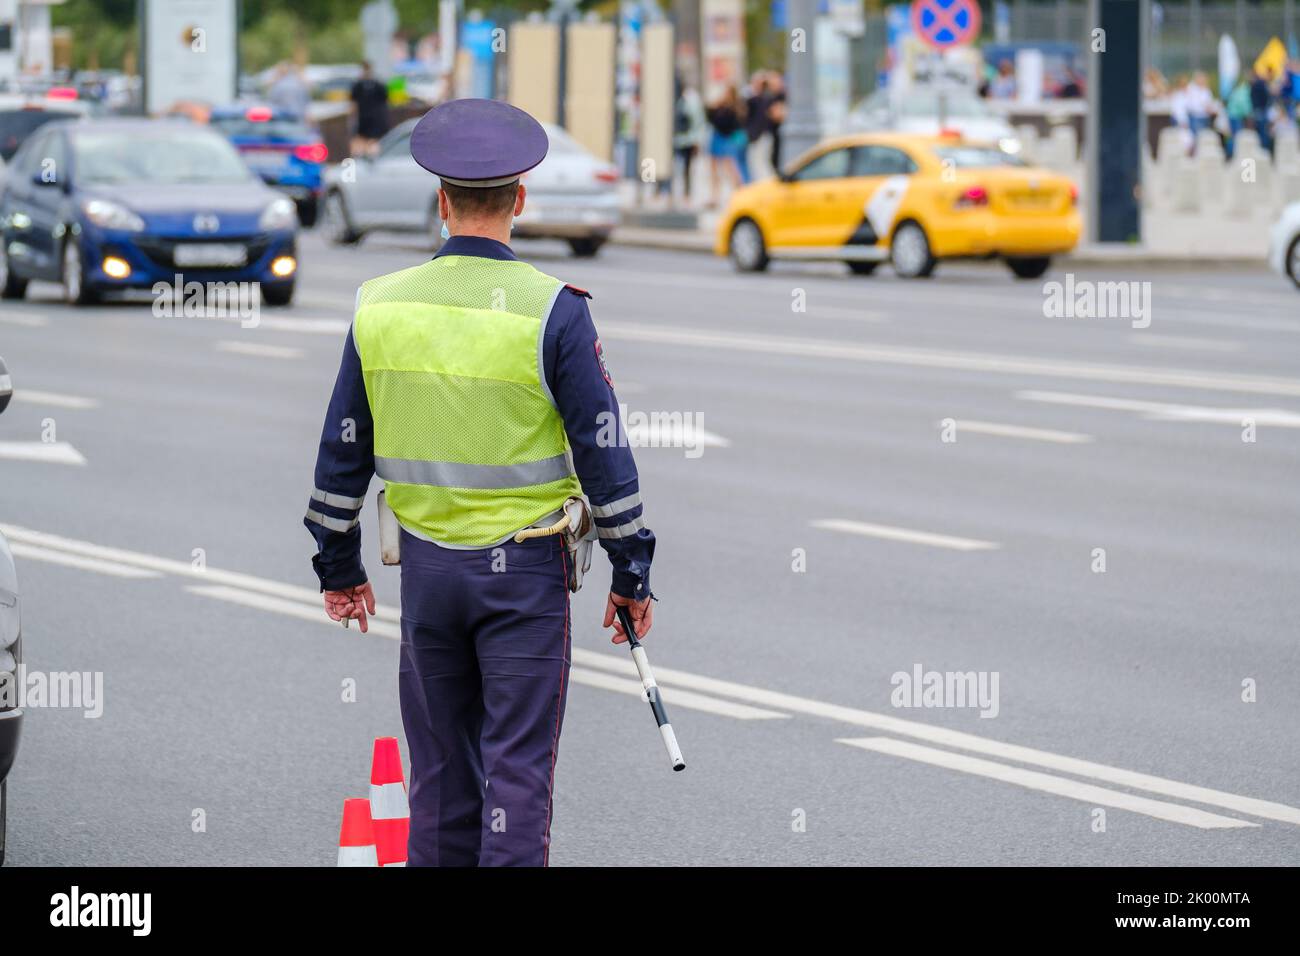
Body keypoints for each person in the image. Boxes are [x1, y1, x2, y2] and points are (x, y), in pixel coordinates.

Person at [304, 99, 656, 867]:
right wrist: (633, 571)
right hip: (525, 582)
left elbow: (342, 453)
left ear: (441, 200)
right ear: (520, 199)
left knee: (438, 780)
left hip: (428, 575)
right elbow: (605, 457)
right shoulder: (554, 313)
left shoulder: (381, 305)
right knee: (517, 778)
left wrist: (339, 567)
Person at [706, 85, 745, 205]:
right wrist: (713, 108)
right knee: (714, 169)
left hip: (726, 138)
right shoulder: (721, 106)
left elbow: (726, 124)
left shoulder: (734, 108)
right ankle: (715, 196)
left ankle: (740, 193)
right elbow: (710, 118)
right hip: (717, 138)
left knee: (730, 167)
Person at [672, 81, 707, 207]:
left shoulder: (690, 101)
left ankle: (686, 194)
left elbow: (697, 122)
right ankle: (667, 193)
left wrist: (697, 140)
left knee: (686, 169)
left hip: (687, 140)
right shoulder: (674, 101)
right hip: (676, 140)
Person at [350, 61, 391, 157]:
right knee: (374, 146)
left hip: (363, 120)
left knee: (362, 146)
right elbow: (386, 104)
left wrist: (352, 121)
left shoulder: (357, 86)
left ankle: (364, 163)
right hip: (375, 120)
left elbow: (353, 106)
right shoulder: (379, 85)